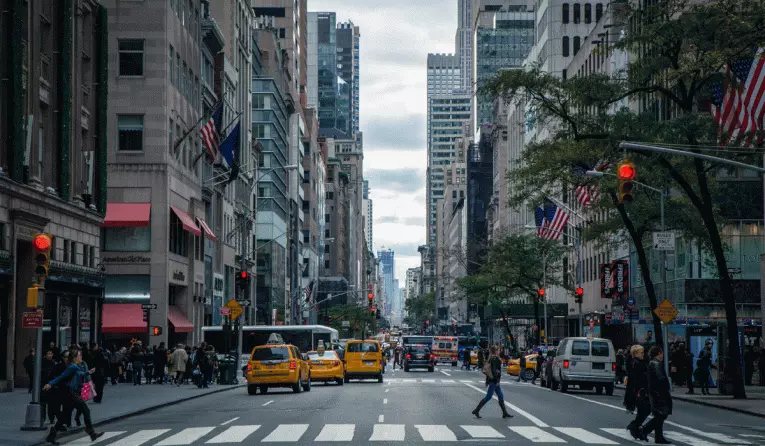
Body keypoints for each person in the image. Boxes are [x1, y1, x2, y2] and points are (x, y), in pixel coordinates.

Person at [43, 349, 104, 444]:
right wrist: (50, 384)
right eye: (79, 356)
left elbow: (80, 374)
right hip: (71, 393)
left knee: (64, 416)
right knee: (85, 410)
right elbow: (61, 376)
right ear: (75, 358)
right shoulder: (73, 366)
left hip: (71, 393)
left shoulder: (75, 366)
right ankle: (91, 432)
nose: (81, 358)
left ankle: (52, 435)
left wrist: (88, 372)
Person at [639, 346, 672, 444]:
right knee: (662, 415)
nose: (662, 355)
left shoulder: (651, 363)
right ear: (659, 353)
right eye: (661, 353)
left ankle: (659, 437)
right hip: (659, 394)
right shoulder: (657, 364)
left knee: (659, 415)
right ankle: (645, 429)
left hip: (654, 393)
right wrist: (666, 388)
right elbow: (661, 378)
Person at [471, 345, 512, 419]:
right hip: (494, 381)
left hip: (493, 380)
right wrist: (496, 381)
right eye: (498, 350)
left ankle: (505, 413)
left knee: (500, 396)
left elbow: (492, 370)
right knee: (488, 397)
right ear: (496, 351)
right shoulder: (495, 358)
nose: (499, 351)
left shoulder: (491, 358)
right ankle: (476, 410)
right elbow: (494, 370)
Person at [624, 345, 650, 440]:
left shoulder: (636, 362)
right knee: (645, 409)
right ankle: (634, 426)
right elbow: (638, 378)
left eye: (643, 352)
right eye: (641, 353)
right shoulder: (637, 363)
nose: (643, 354)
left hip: (638, 390)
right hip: (639, 391)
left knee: (643, 410)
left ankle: (636, 428)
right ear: (635, 354)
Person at [40, 350, 57, 425]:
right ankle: (42, 418)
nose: (50, 355)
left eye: (51, 353)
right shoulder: (42, 363)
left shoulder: (54, 363)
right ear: (45, 355)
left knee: (51, 404)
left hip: (52, 386)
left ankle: (51, 418)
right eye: (48, 354)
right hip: (43, 385)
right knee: (43, 403)